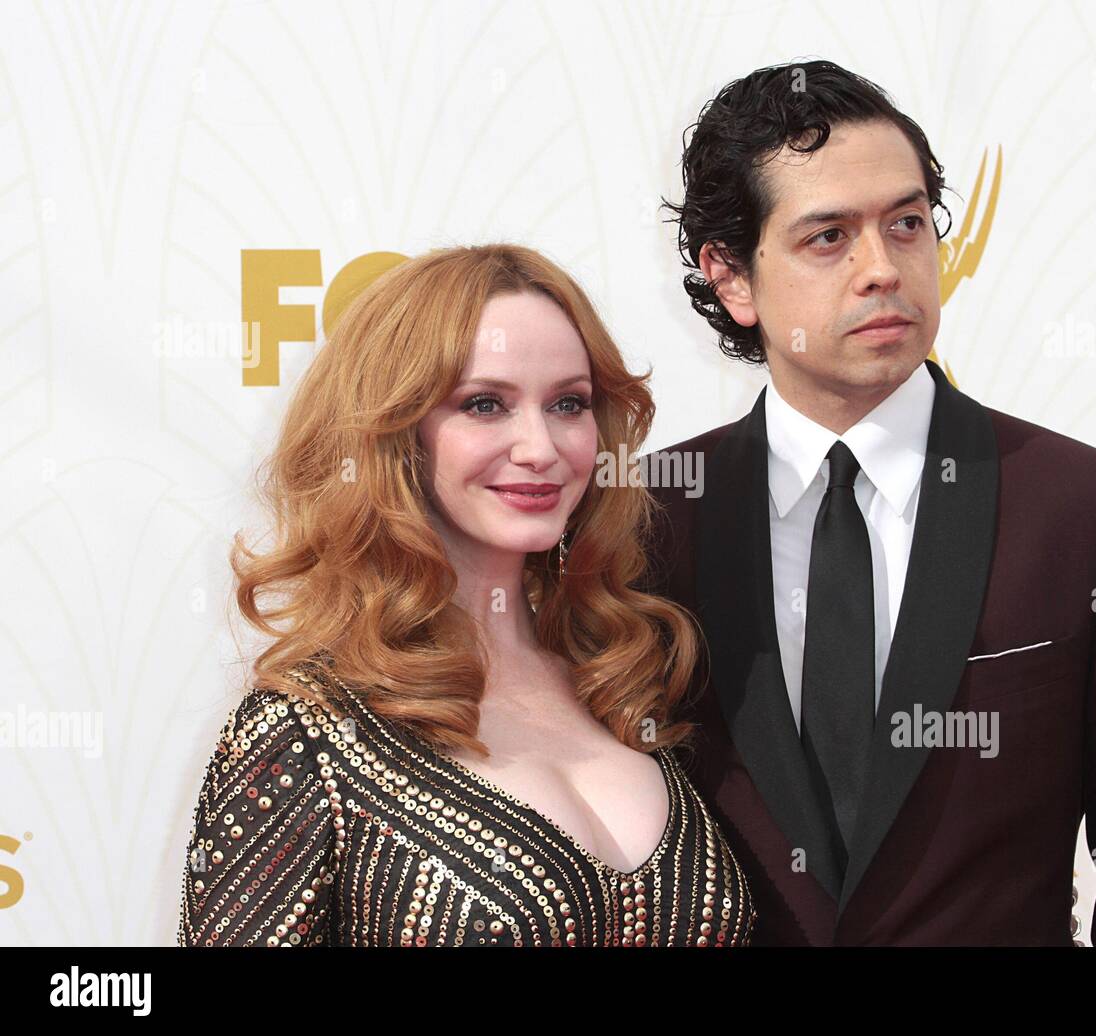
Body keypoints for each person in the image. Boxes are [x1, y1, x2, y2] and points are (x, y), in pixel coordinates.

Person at [645, 59, 1096, 946]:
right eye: (829, 237)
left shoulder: (1089, 512)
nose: (883, 269)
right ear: (730, 276)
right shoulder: (645, 523)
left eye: (907, 224)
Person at [177, 244, 755, 947]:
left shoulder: (624, 677)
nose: (540, 446)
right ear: (395, 435)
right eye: (486, 404)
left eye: (568, 403)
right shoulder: (304, 731)